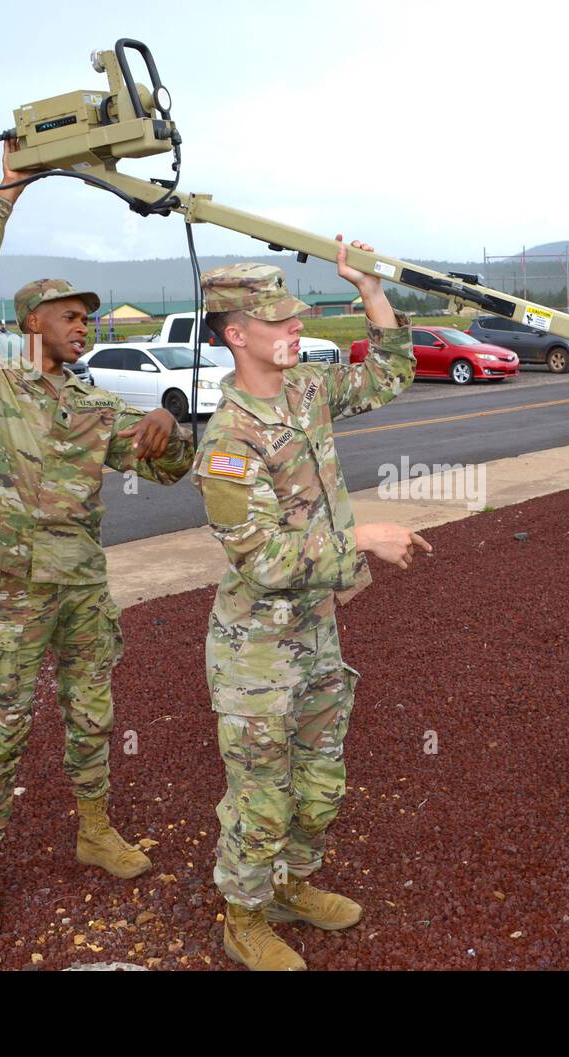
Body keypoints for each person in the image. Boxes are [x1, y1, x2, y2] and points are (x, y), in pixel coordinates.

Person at [0, 140, 195, 940]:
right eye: (71, 316)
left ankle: (93, 829)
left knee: (91, 711)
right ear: (31, 323)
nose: (84, 326)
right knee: (0, 724)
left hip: (83, 584)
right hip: (16, 586)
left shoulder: (92, 400)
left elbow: (160, 470)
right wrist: (7, 197)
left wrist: (170, 425)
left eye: (88, 316)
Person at [193, 243, 431, 971]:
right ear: (237, 333)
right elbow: (262, 560)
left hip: (316, 627)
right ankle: (244, 915)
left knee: (320, 779)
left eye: (296, 316)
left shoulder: (306, 390)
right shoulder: (229, 442)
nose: (295, 329)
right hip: (257, 649)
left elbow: (392, 370)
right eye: (278, 321)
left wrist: (369, 288)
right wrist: (360, 537)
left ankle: (293, 886)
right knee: (262, 795)